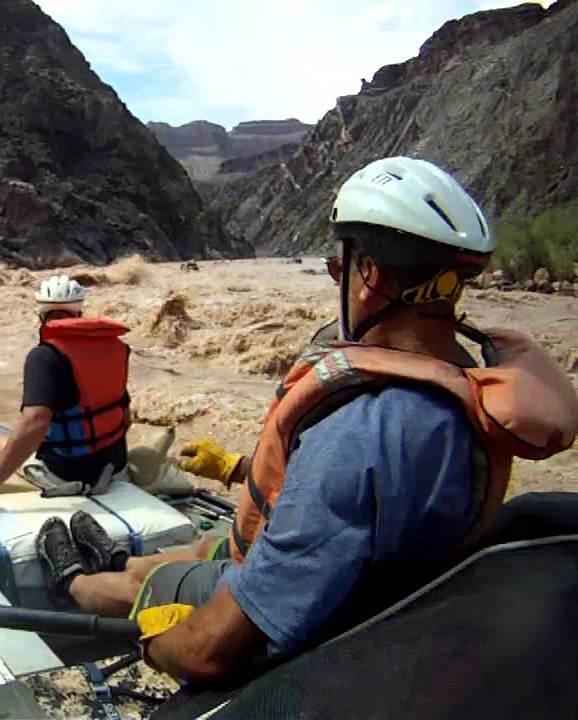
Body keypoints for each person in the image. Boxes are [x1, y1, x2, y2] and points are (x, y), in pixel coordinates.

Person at [32, 157, 578, 682]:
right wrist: (234, 468)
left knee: (144, 582)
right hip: (372, 587)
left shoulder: (365, 430)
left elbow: (208, 651)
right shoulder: (465, 378)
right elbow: (362, 499)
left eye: (339, 267)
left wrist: (159, 640)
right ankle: (119, 560)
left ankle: (75, 583)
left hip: (321, 620)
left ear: (367, 273)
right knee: (203, 547)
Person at [0, 275, 132, 512]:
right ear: (79, 314)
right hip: (114, 468)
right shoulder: (115, 348)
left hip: (66, 475)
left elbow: (35, 421)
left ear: (40, 316)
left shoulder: (45, 357)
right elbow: (125, 416)